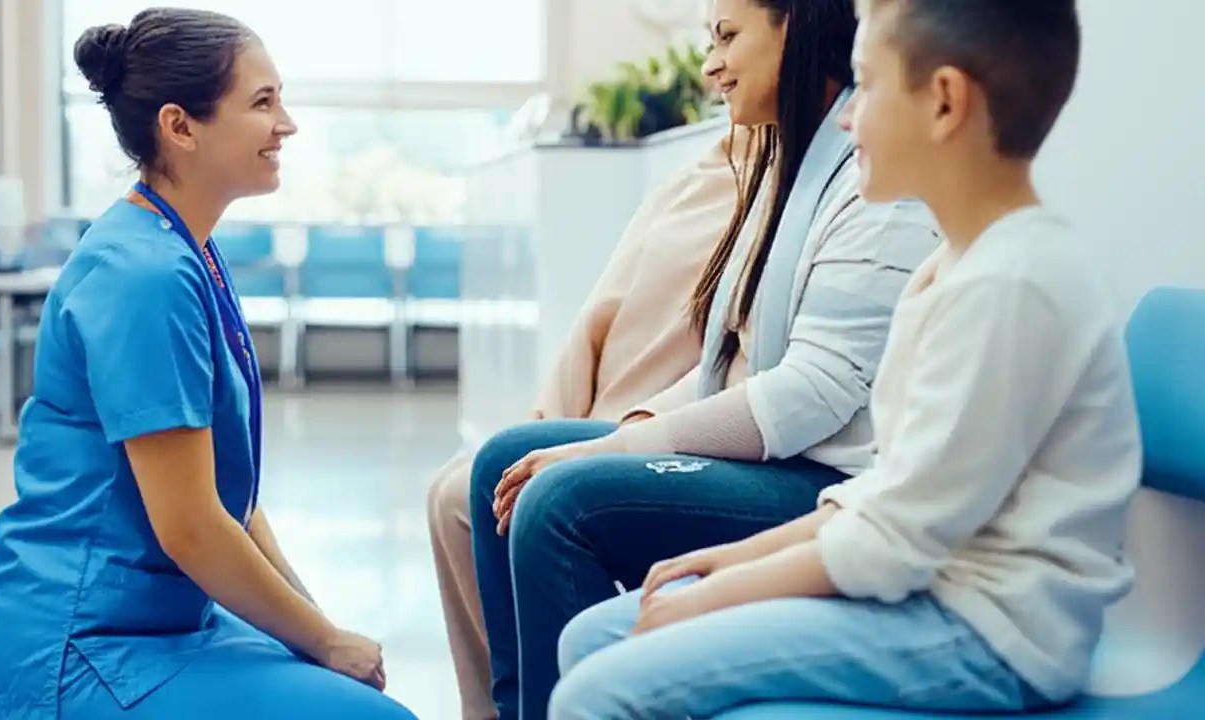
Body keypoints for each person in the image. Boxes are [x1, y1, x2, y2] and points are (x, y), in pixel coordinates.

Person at [550, 0, 1143, 717]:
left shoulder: (1014, 284)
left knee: (598, 690)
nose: (843, 117)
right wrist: (730, 562)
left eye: (865, 86)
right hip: (931, 591)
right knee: (592, 638)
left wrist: (716, 594)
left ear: (945, 102)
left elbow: (893, 544)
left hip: (989, 633)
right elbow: (892, 490)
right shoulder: (955, 267)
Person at [467, 0, 942, 717]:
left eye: (727, 37)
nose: (710, 64)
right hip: (785, 461)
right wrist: (626, 430)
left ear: (797, 28)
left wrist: (620, 446)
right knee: (501, 461)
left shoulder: (876, 195)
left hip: (820, 478)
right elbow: (731, 358)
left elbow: (810, 393)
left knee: (559, 504)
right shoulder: (788, 168)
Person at [0, 9, 416, 720]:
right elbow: (192, 525)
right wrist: (323, 641)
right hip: (77, 649)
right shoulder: (143, 275)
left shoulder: (186, 250)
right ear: (180, 126)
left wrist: (314, 627)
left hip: (161, 619)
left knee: (340, 687)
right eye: (263, 103)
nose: (286, 124)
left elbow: (235, 500)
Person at [428, 126, 752, 720]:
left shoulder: (789, 184)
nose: (712, 65)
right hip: (627, 410)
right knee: (460, 485)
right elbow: (597, 314)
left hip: (679, 421)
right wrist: (551, 417)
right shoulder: (703, 170)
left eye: (727, 37)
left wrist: (629, 432)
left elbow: (747, 371)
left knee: (511, 491)